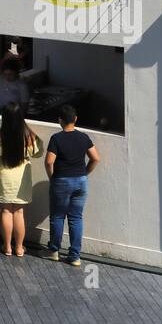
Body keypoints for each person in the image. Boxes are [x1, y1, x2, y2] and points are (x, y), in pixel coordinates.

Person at [45, 105, 100, 266]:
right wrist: (84, 172)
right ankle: (75, 256)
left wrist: (52, 177)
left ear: (59, 120)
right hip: (81, 181)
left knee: (58, 216)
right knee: (76, 218)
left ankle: (54, 250)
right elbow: (95, 158)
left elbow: (49, 161)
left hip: (61, 180)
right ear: (75, 119)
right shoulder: (84, 137)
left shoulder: (57, 138)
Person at [0, 102, 42, 255]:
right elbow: (38, 153)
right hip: (22, 177)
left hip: (3, 174)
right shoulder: (29, 135)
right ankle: (19, 248)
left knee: (6, 212)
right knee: (19, 212)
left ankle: (7, 247)